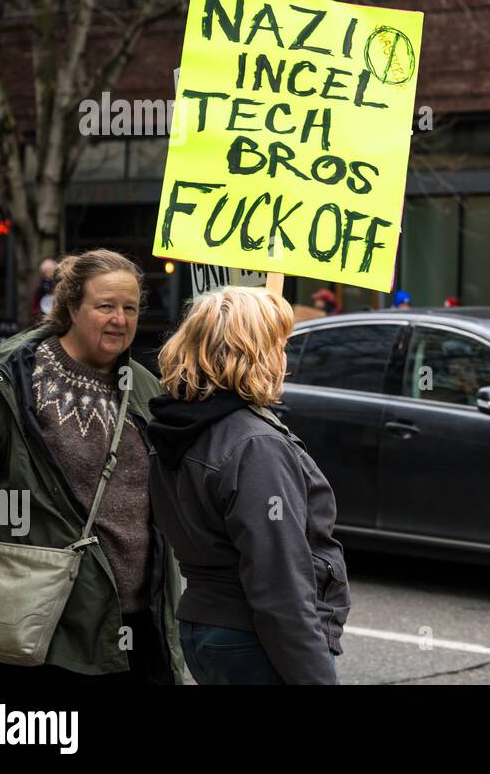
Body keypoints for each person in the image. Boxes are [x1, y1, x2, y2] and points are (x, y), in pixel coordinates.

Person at [0, 249, 184, 684]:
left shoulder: (146, 388)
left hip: (136, 624)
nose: (120, 319)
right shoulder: (19, 380)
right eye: (105, 306)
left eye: (130, 308)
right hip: (41, 623)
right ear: (70, 308)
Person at [146, 286, 351, 684]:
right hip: (253, 637)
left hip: (206, 626)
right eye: (279, 344)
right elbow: (280, 586)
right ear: (254, 353)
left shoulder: (179, 425)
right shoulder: (255, 445)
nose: (284, 357)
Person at [29, 257, 57, 323]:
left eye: (49, 271)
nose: (48, 275)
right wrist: (35, 315)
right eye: (45, 272)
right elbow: (35, 302)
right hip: (44, 314)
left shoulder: (58, 284)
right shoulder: (41, 286)